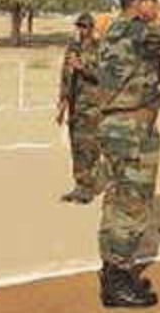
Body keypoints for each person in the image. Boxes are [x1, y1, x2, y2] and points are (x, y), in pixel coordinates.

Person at [93, 0, 160, 308]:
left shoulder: (115, 30)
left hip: (117, 129)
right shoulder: (135, 31)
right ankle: (117, 284)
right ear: (141, 2)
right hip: (131, 133)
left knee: (116, 201)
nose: (157, 8)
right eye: (154, 2)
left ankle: (114, 271)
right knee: (131, 207)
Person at [56, 12, 103, 204]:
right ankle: (79, 185)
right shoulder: (72, 48)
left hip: (91, 106)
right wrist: (62, 101)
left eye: (85, 26)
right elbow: (65, 76)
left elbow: (103, 75)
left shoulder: (99, 48)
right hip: (75, 105)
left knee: (89, 147)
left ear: (91, 28)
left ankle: (89, 188)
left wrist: (83, 67)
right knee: (76, 146)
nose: (82, 30)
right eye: (79, 26)